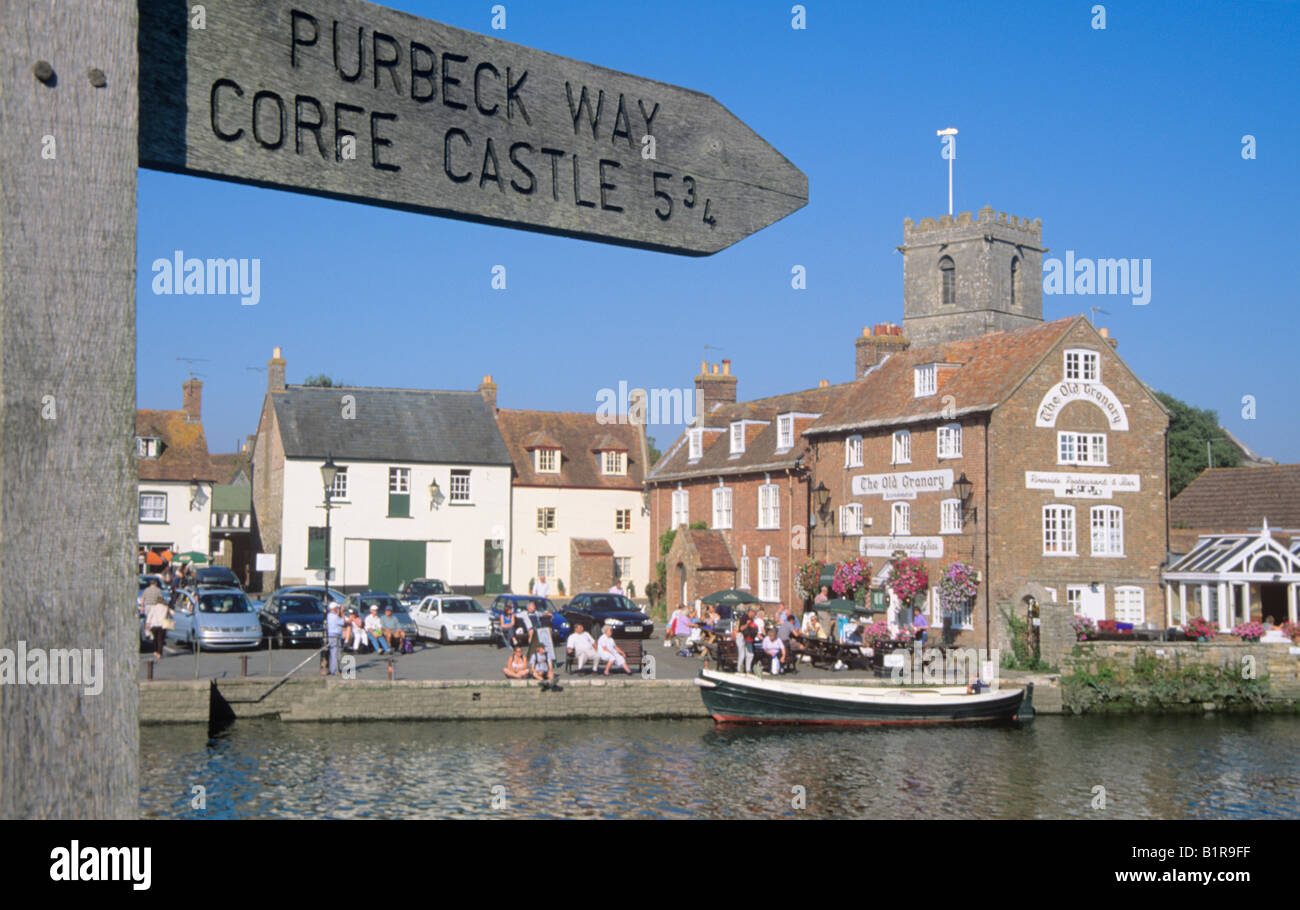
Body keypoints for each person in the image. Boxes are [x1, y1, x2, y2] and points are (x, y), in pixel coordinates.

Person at [142, 580, 171, 660]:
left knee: (155, 638)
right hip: (162, 625)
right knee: (160, 640)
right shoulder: (159, 591)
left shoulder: (146, 590)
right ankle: (159, 653)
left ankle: (155, 650)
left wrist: (147, 624)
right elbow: (169, 613)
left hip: (152, 621)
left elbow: (149, 616)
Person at [525, 600, 555, 664]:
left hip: (538, 626)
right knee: (531, 632)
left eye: (534, 606)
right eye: (533, 606)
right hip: (531, 627)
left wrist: (548, 614)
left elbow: (542, 614)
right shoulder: (524, 613)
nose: (534, 607)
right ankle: (531, 646)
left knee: (549, 629)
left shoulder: (536, 612)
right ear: (529, 607)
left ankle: (549, 645)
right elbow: (515, 615)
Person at [324, 604, 344, 675]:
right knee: (335, 653)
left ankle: (335, 669)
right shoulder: (335, 617)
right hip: (335, 635)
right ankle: (335, 670)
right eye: (337, 608)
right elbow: (343, 622)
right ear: (334, 608)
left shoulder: (329, 615)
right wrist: (342, 612)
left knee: (334, 653)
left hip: (331, 635)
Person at [736, 610, 758, 674]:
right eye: (754, 613)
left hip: (748, 638)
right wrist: (747, 624)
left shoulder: (752, 619)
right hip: (741, 636)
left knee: (750, 654)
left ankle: (748, 669)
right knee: (742, 655)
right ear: (750, 612)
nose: (754, 615)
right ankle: (739, 669)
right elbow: (741, 628)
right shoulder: (744, 617)